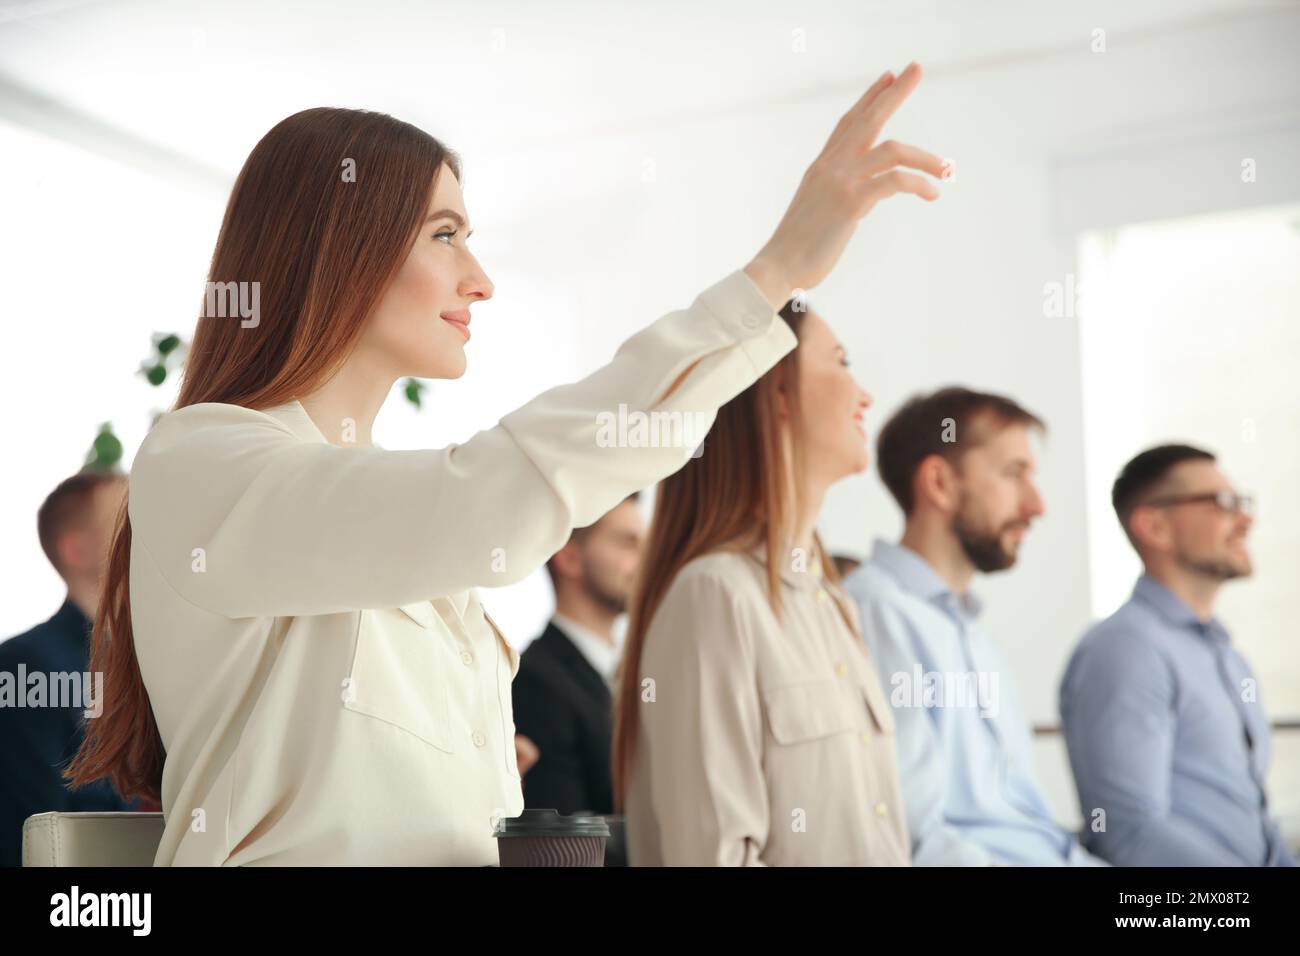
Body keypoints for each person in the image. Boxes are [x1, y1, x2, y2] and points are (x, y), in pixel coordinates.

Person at [66, 64, 946, 865]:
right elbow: (495, 496)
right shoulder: (201, 460)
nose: (480, 278)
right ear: (341, 249)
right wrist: (776, 272)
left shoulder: (392, 513)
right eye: (445, 234)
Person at [616, 300, 911, 867]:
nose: (865, 395)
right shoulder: (714, 595)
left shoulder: (832, 603)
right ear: (775, 392)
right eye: (841, 362)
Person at [843, 387, 1102, 865]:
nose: (1037, 505)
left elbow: (1024, 824)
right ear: (940, 483)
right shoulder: (875, 613)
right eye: (1013, 474)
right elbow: (917, 836)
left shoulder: (972, 635)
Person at [1060, 445, 1295, 866]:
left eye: (1243, 502)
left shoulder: (1224, 655)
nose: (1246, 520)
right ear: (1155, 526)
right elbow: (1130, 833)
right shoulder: (1126, 649)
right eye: (1223, 503)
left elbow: (1255, 822)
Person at [0, 471, 140, 867]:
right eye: (127, 516)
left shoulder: (132, 665)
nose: (146, 525)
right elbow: (30, 837)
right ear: (77, 550)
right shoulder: (27, 667)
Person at [513, 494, 645, 815]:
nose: (647, 561)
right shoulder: (536, 681)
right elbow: (565, 838)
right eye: (629, 544)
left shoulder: (634, 671)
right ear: (569, 557)